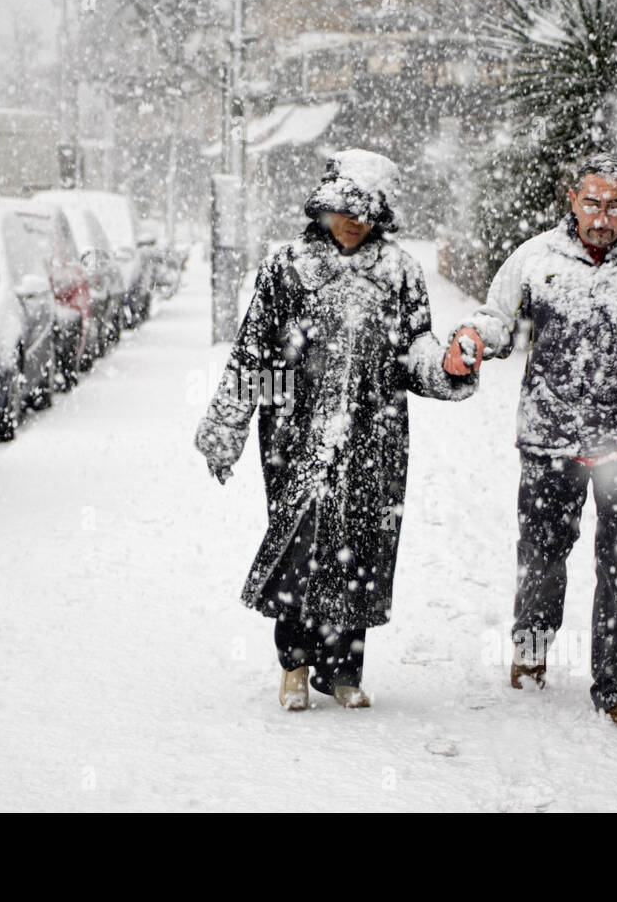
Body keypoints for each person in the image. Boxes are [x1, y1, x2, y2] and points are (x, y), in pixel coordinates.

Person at [445, 152, 617, 735]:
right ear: (572, 199)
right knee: (542, 554)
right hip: (550, 438)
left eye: (614, 203)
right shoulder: (535, 258)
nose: (602, 215)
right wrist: (471, 336)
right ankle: (533, 648)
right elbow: (497, 317)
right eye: (592, 201)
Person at [195, 149, 476, 710]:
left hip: (376, 435)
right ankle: (295, 665)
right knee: (300, 545)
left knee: (361, 548)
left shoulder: (400, 273)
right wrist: (226, 427)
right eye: (347, 209)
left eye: (369, 212)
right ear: (323, 206)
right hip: (294, 436)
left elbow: (414, 352)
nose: (356, 221)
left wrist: (446, 367)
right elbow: (252, 355)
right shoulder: (288, 268)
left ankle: (343, 669)